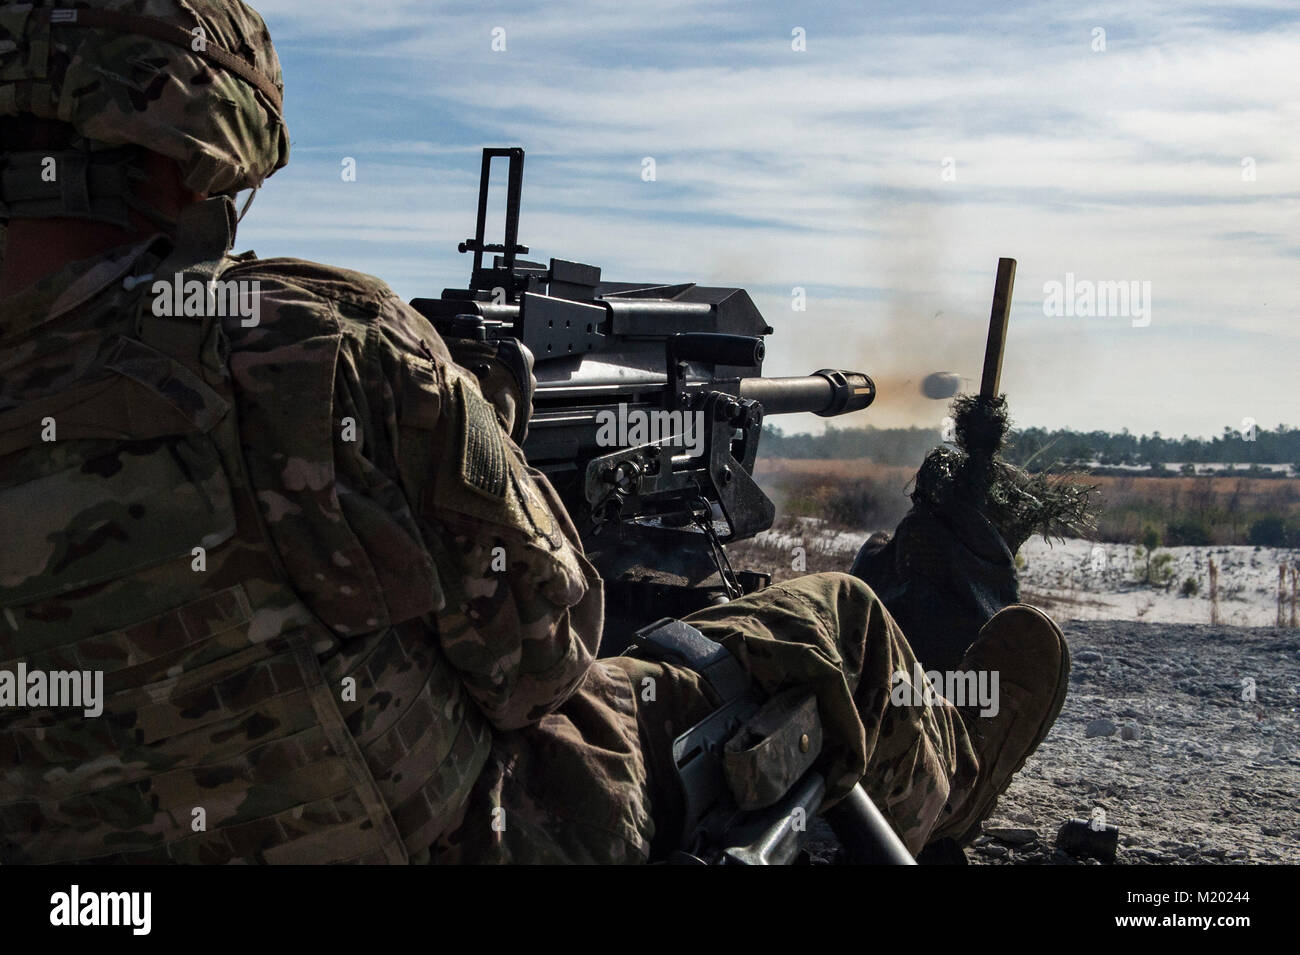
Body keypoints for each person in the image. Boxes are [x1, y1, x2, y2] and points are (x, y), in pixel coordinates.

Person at [0, 0, 1068, 864]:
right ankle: (960, 775)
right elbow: (541, 663)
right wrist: (477, 458)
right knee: (830, 625)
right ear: (188, 153)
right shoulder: (305, 344)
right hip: (468, 837)